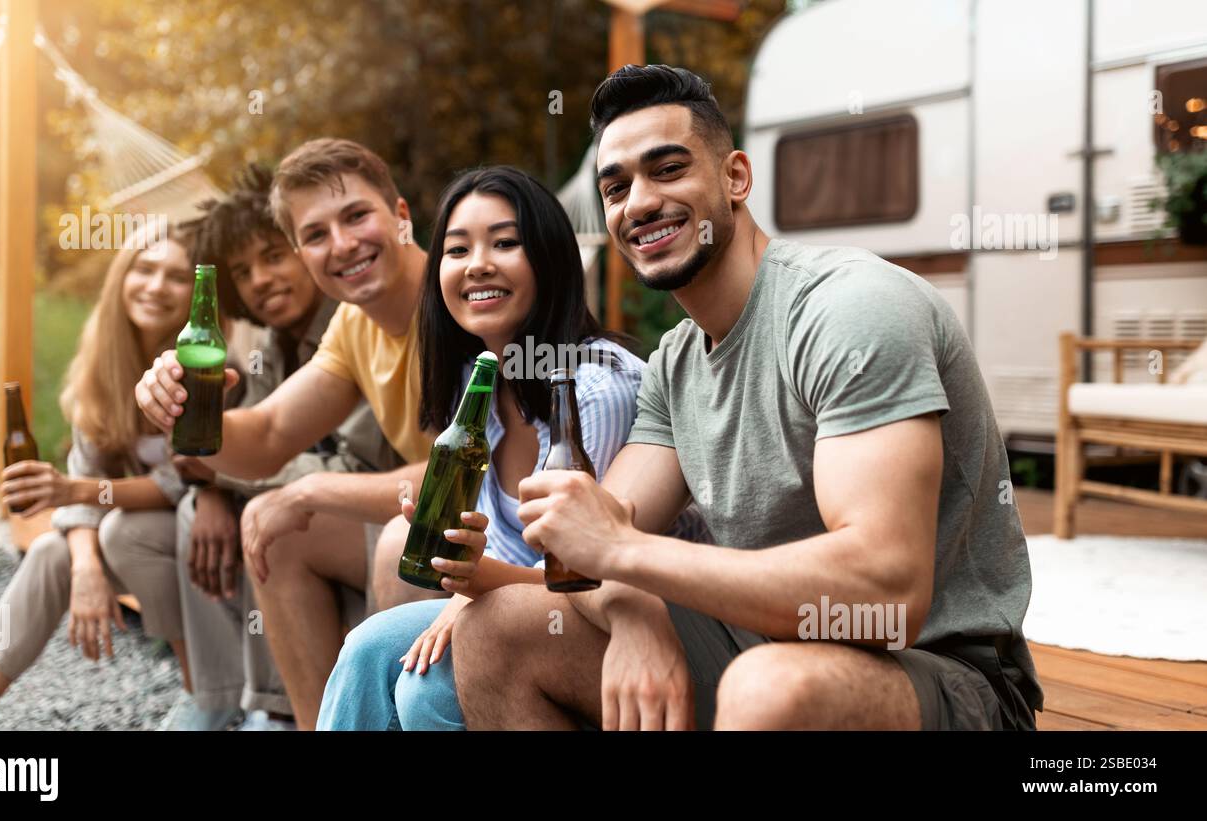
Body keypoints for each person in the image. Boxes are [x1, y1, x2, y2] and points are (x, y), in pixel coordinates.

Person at [449, 65, 1045, 731]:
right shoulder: (675, 363)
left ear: (736, 177)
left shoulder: (848, 309)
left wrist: (623, 553)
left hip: (944, 675)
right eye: (616, 188)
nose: (638, 202)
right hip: (765, 645)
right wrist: (634, 610)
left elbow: (887, 590)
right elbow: (597, 534)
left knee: (768, 689)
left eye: (668, 169)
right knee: (495, 630)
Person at [315, 166, 664, 730]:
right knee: (367, 649)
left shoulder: (597, 386)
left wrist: (473, 587)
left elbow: (587, 576)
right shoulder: (476, 380)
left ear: (549, 260)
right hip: (521, 604)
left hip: (623, 620)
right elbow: (499, 551)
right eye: (457, 249)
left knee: (424, 691)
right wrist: (465, 583)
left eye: (505, 242)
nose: (478, 263)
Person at [134, 139, 434, 729]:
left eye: (356, 216)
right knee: (273, 531)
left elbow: (481, 471)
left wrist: (307, 492)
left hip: (504, 529)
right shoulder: (354, 320)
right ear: (304, 250)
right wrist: (188, 409)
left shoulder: (462, 293)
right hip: (431, 520)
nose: (342, 245)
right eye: (316, 235)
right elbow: (270, 433)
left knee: (381, 534)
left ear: (401, 217)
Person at [0, 227, 201, 730]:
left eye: (176, 276)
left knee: (124, 530)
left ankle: (202, 691)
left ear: (197, 292)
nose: (156, 286)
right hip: (146, 544)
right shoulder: (105, 359)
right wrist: (84, 568)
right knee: (51, 552)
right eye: (144, 269)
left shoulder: (208, 358)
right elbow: (86, 474)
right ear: (121, 277)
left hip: (196, 535)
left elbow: (178, 485)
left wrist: (73, 491)